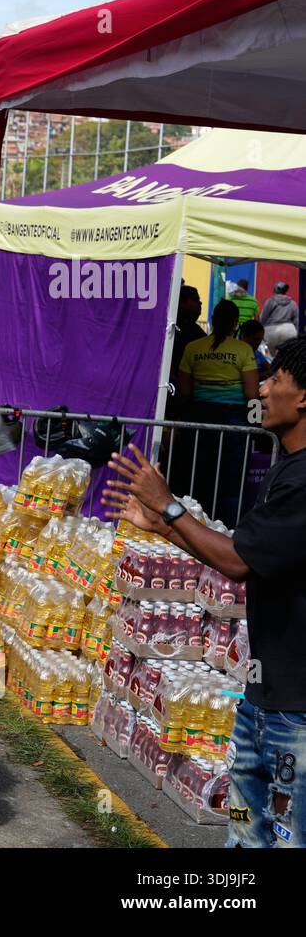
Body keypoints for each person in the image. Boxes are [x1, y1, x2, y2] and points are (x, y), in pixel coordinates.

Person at [103, 336, 306, 849]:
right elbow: (244, 558)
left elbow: (237, 560)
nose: (260, 389)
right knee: (243, 831)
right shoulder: (286, 465)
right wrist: (165, 529)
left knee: (286, 838)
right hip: (262, 698)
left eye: (274, 380)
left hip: (296, 713)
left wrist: (171, 507)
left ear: (303, 397)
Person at [176, 299, 260, 519]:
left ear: (212, 320)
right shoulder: (243, 349)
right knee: (232, 481)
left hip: (199, 417)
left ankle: (196, 525)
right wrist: (256, 421)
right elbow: (252, 393)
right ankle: (229, 529)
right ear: (235, 323)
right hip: (234, 421)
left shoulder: (193, 348)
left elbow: (184, 391)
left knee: (198, 474)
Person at [260, 281, 300, 359]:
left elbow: (263, 318)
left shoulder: (270, 301)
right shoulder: (293, 303)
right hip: (289, 331)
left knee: (271, 358)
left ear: (275, 289)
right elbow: (297, 322)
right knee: (286, 358)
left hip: (271, 331)